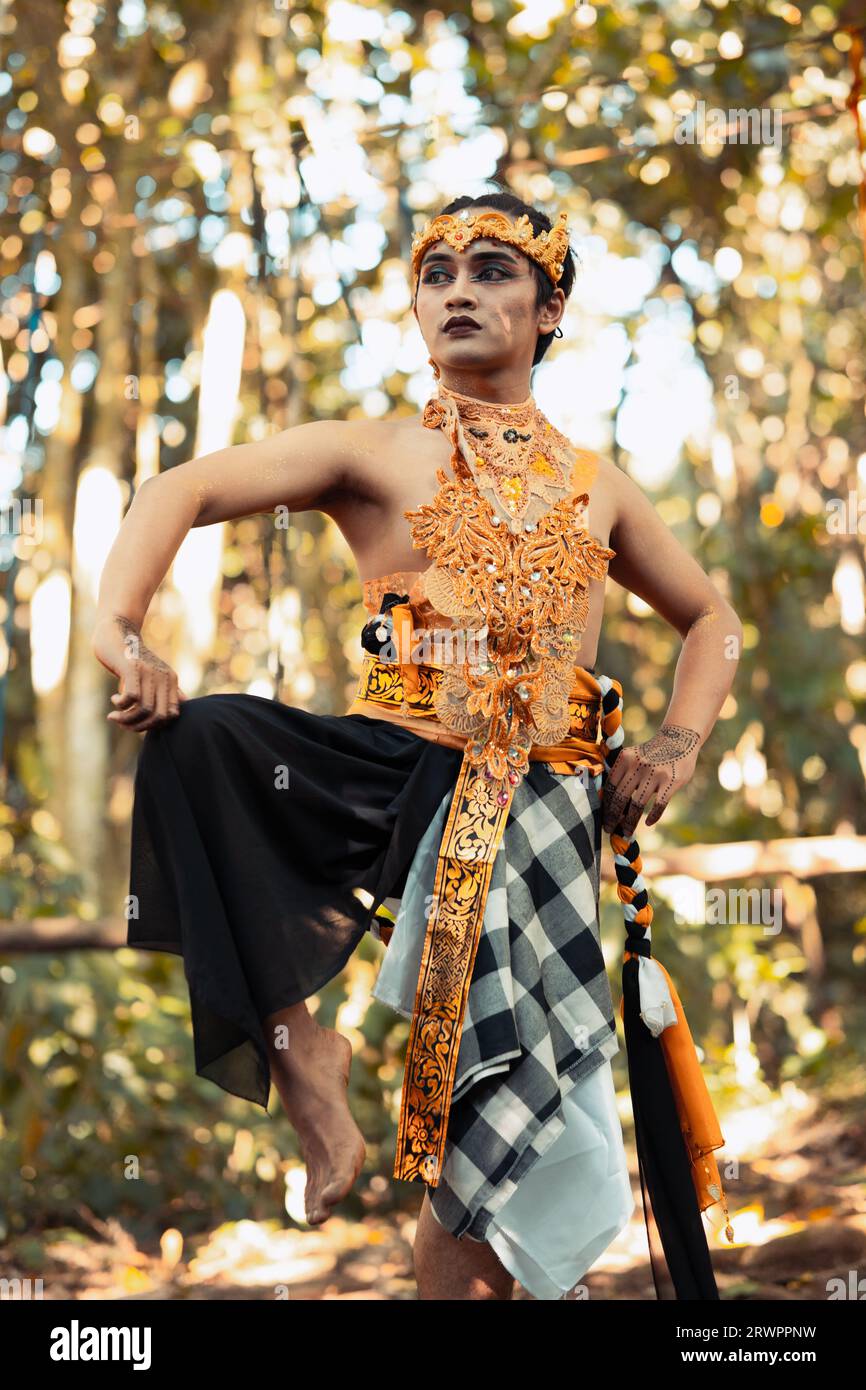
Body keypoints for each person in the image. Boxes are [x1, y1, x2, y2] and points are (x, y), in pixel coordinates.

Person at [92, 187, 743, 1301]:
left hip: (534, 807)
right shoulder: (375, 450)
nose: (456, 292)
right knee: (198, 743)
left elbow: (714, 622)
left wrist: (677, 742)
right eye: (434, 274)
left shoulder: (598, 488)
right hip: (394, 773)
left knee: (495, 1135)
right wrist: (121, 637)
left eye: (491, 271)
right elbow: (180, 485)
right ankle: (303, 1058)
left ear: (549, 309)